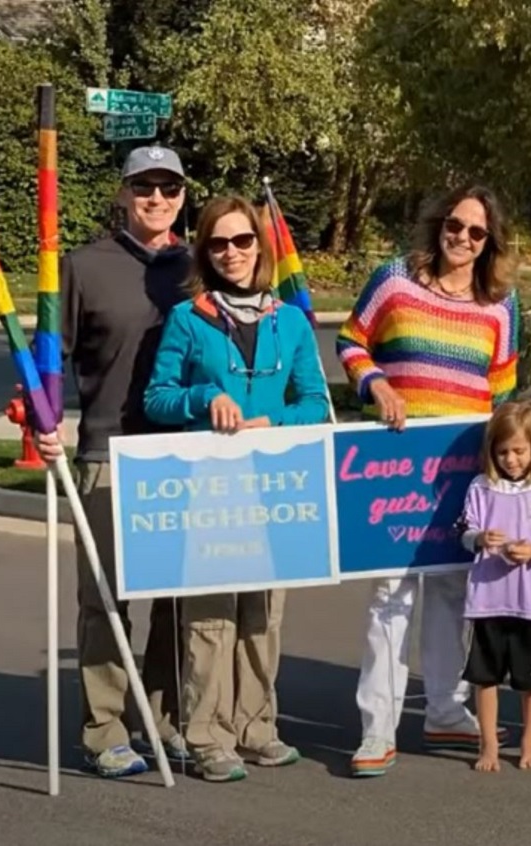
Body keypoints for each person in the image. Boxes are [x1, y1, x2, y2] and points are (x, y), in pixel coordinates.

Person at [142, 195, 329, 781]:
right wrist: (203, 399)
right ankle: (205, 734)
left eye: (243, 241)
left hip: (275, 485)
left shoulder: (291, 321)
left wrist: (275, 423)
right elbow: (156, 398)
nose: (232, 254)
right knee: (209, 618)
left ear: (260, 247)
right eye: (219, 244)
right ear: (205, 251)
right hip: (209, 489)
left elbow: (317, 403)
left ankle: (256, 726)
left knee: (263, 615)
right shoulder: (186, 319)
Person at [337, 184, 521, 777]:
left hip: (463, 469)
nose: (461, 238)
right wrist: (378, 385)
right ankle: (376, 728)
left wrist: (504, 464)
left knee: (450, 593)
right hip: (396, 463)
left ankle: (445, 706)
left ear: (490, 241)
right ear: (437, 224)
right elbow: (350, 341)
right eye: (454, 225)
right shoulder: (395, 280)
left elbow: (504, 388)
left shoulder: (501, 304)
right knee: (390, 596)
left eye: (475, 231)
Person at [34, 145, 192, 778]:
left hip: (183, 452)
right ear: (124, 194)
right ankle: (105, 729)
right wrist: (41, 419)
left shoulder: (198, 265)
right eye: (144, 187)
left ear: (183, 195)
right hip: (107, 450)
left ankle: (163, 717)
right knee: (106, 599)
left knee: (177, 598)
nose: (157, 198)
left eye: (169, 187)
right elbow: (51, 357)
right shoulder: (82, 265)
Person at [456, 400, 531, 772]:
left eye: (519, 450)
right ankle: (488, 744)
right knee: (484, 677)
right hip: (487, 600)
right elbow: (463, 531)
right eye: (502, 451)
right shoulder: (480, 487)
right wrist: (479, 539)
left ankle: (530, 740)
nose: (511, 459)